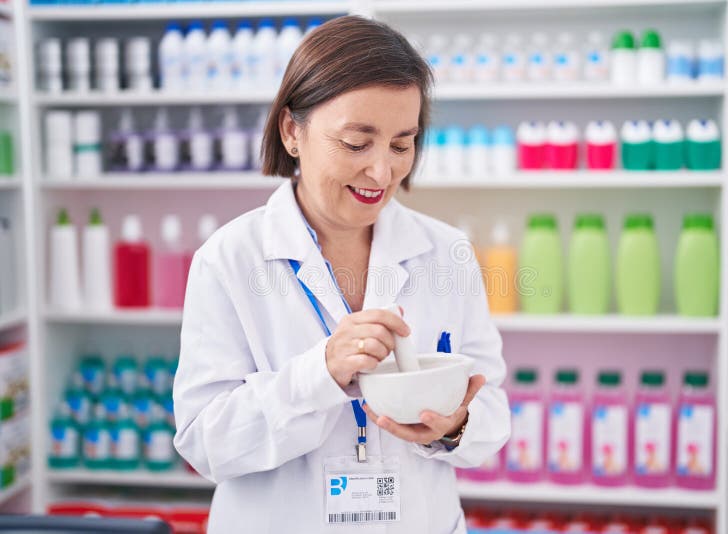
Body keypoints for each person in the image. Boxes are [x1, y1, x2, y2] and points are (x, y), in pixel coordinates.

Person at [173, 15, 510, 533]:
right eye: (357, 143)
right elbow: (205, 442)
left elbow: (491, 408)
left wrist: (455, 425)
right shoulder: (229, 259)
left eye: (402, 144)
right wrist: (320, 374)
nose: (382, 171)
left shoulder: (447, 254)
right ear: (292, 131)